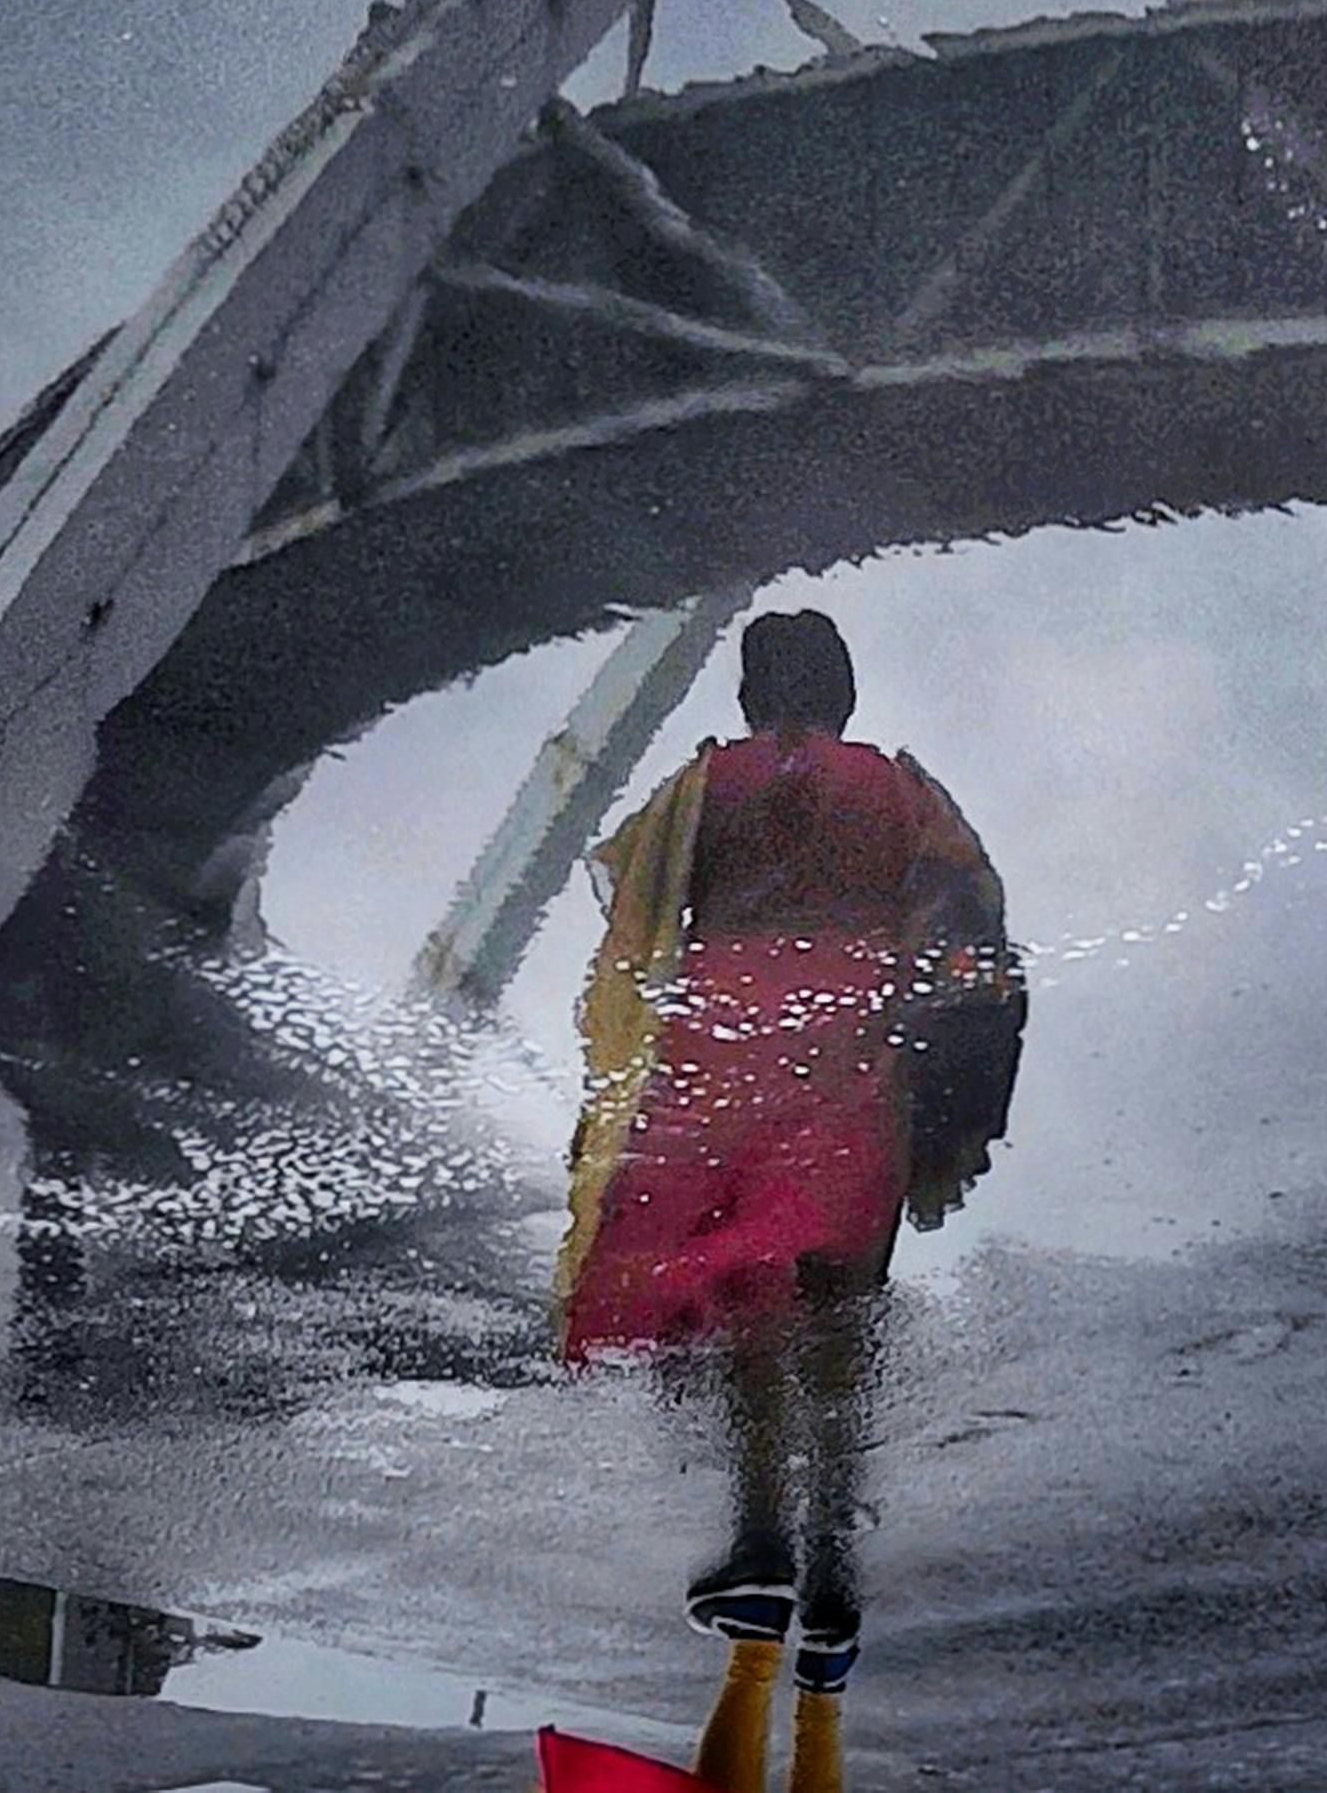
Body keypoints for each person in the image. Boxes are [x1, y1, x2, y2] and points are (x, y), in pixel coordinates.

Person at [551, 606, 1018, 1793]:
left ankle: (763, 1544)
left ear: (753, 696)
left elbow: (632, 915)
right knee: (840, 1305)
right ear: (846, 694)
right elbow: (971, 919)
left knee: (749, 1288)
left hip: (721, 1049)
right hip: (852, 1045)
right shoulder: (901, 790)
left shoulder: (702, 788)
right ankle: (831, 1570)